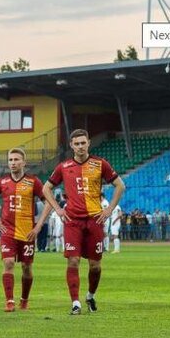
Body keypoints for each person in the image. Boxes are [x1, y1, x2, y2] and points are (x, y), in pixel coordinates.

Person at [41, 129, 126, 315]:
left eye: (82, 143)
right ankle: (75, 303)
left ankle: (90, 295)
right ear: (71, 145)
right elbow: (46, 188)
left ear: (88, 143)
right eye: (76, 143)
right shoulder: (63, 167)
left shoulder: (100, 164)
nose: (80, 146)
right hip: (72, 221)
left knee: (95, 265)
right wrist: (58, 209)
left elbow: (120, 185)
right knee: (73, 261)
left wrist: (109, 209)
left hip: (95, 220)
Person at [0, 148, 50, 312]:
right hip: (8, 231)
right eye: (10, 160)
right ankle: (9, 301)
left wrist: (38, 225)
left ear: (24, 162)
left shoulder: (33, 182)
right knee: (8, 263)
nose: (12, 163)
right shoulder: (2, 182)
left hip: (27, 232)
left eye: (16, 160)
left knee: (27, 267)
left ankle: (24, 299)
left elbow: (49, 202)